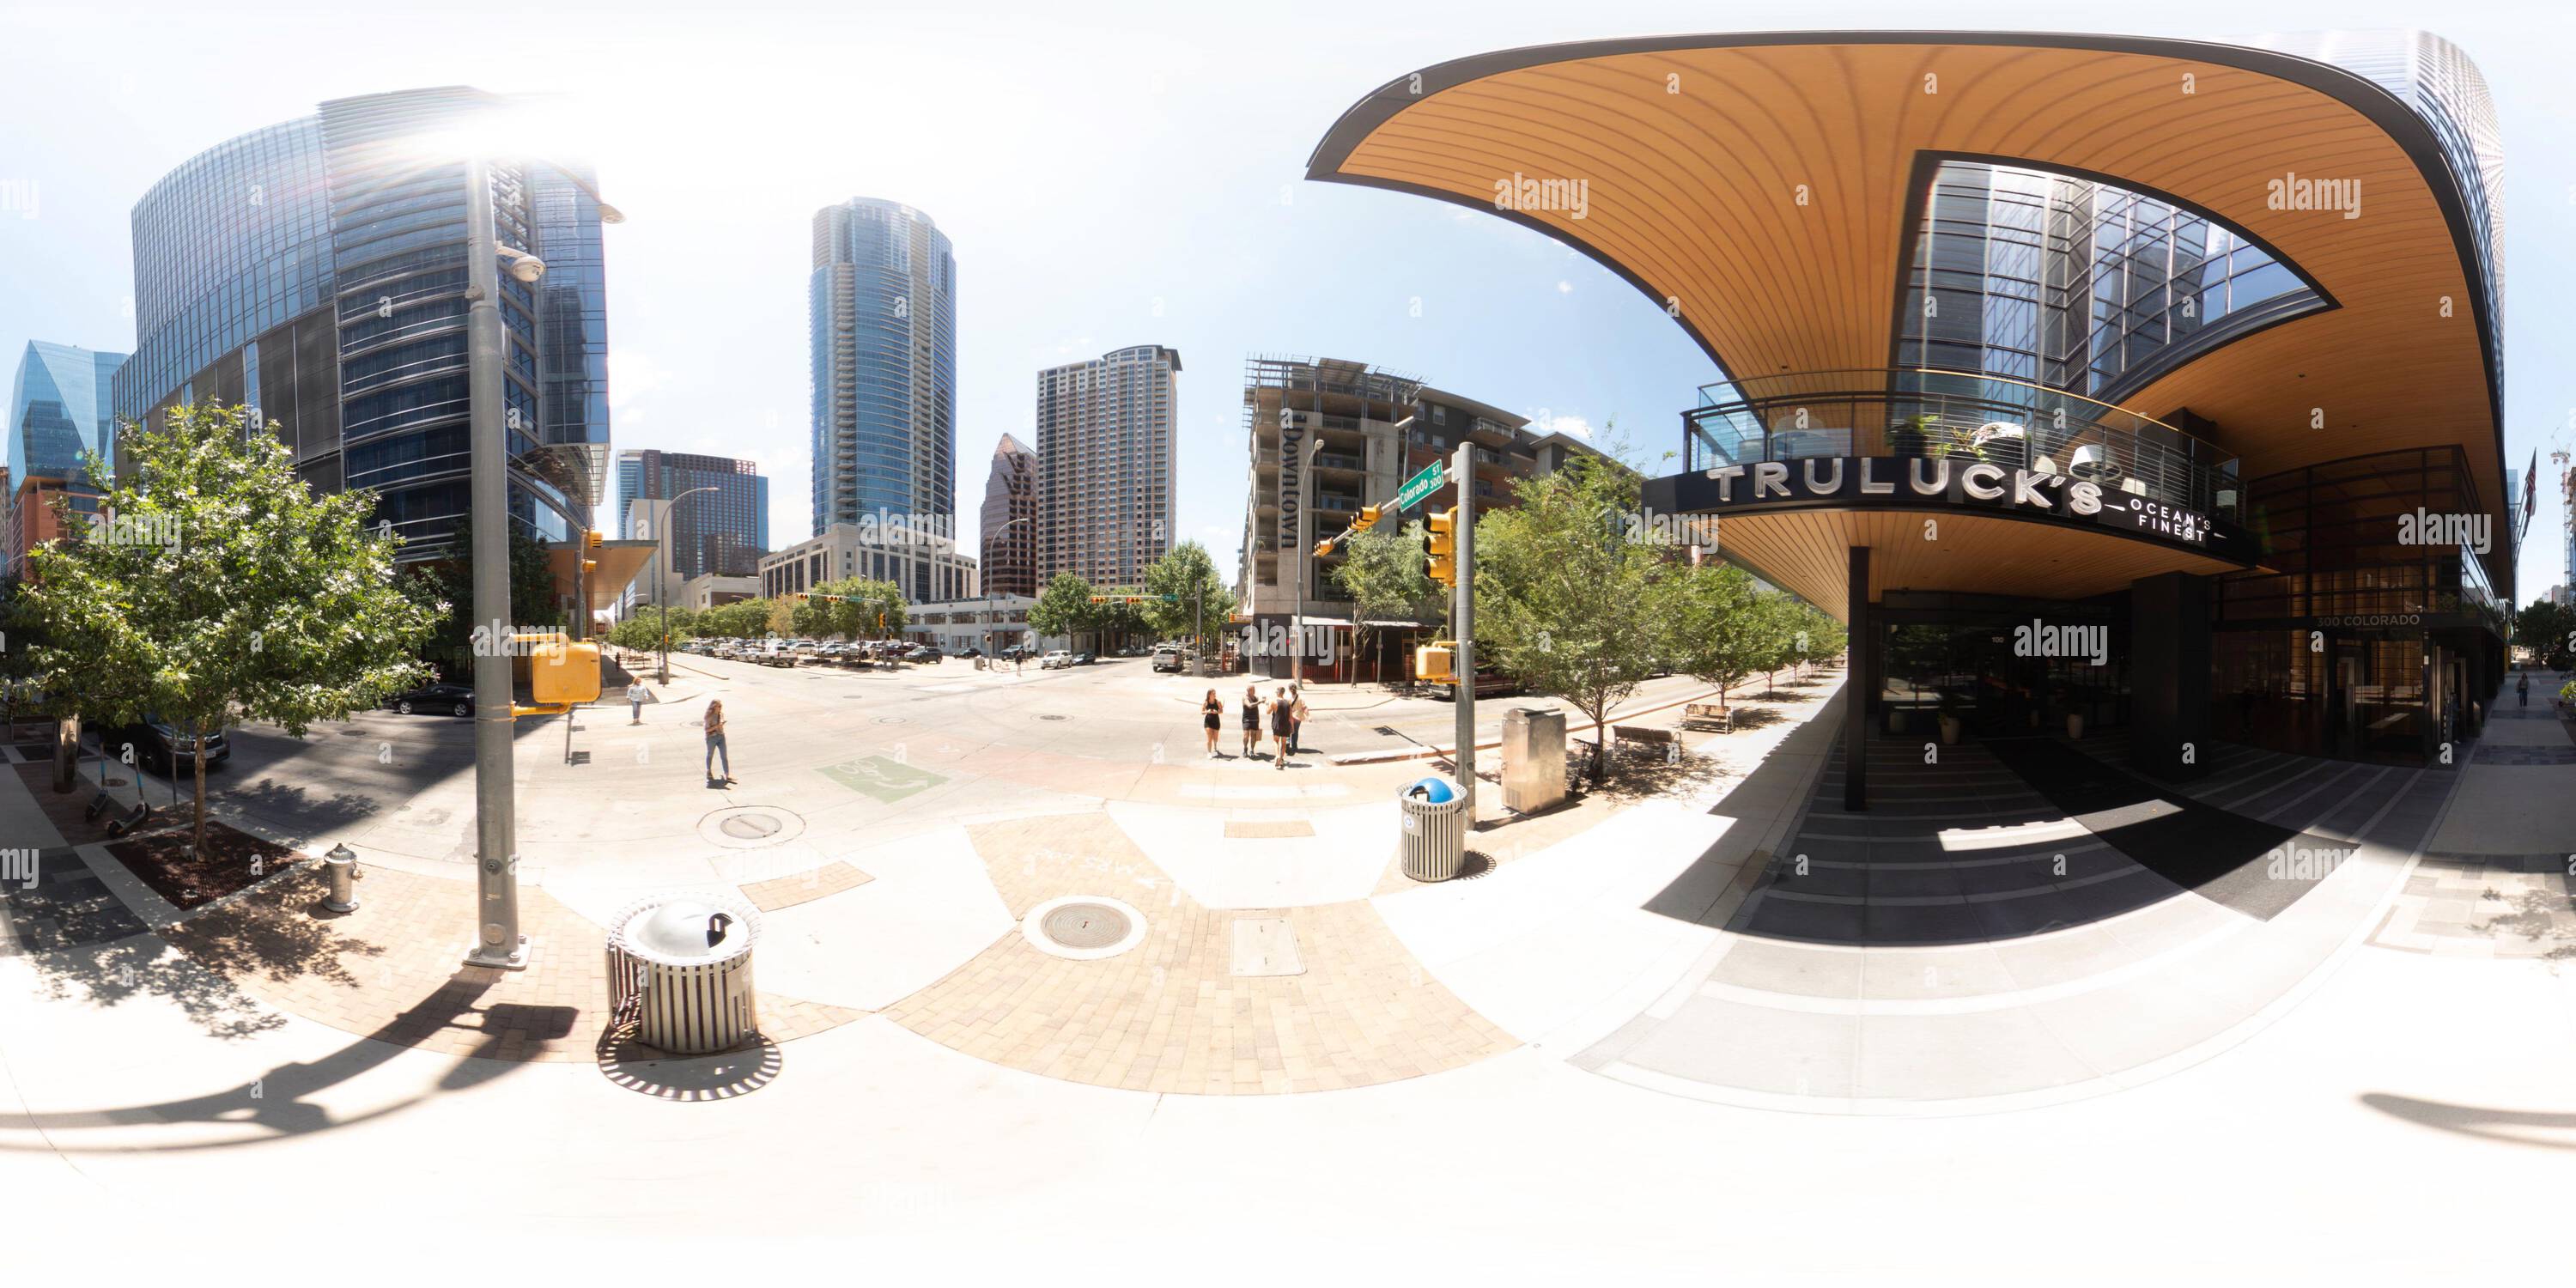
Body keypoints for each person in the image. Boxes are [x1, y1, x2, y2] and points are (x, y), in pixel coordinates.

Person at [703, 699, 732, 783]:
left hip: (721, 736)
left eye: (721, 706)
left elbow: (721, 720)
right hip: (711, 738)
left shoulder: (720, 714)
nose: (720, 707)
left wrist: (722, 723)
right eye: (719, 706)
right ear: (714, 707)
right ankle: (708, 771)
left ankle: (727, 774)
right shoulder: (709, 717)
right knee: (710, 755)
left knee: (724, 756)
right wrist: (717, 726)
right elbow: (706, 730)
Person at [1269, 685, 1294, 769]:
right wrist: (1292, 727)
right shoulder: (1288, 703)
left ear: (1278, 692)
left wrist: (1267, 705)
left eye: (1276, 692)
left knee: (1276, 741)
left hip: (1277, 725)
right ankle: (1280, 759)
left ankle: (1277, 756)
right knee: (1284, 743)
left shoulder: (1274, 702)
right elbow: (1291, 717)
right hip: (1286, 725)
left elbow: (1268, 712)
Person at [1240, 683, 1262, 759]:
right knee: (1246, 736)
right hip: (1247, 719)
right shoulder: (1245, 698)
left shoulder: (1256, 698)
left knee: (1253, 735)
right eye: (1252, 689)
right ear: (1248, 690)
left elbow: (1257, 709)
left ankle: (1252, 750)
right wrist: (1259, 702)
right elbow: (1249, 706)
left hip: (1255, 719)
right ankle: (1245, 748)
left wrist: (1258, 719)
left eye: (1254, 689)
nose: (1254, 691)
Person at [1200, 689, 1223, 757]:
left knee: (1215, 738)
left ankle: (1215, 745)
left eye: (1215, 693)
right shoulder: (1206, 702)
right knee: (1209, 737)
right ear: (1209, 695)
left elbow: (1221, 711)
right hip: (1208, 722)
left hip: (1216, 721)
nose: (1215, 695)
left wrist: (1217, 712)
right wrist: (1208, 711)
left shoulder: (1218, 702)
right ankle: (1209, 753)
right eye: (1213, 693)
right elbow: (1202, 712)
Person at [1289, 683, 1310, 754]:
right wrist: (1308, 716)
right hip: (1298, 718)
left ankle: (1287, 746)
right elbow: (1304, 708)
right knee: (1295, 732)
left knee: (1289, 732)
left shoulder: (1288, 698)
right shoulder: (1300, 698)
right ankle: (1294, 747)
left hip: (1290, 717)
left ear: (1289, 690)